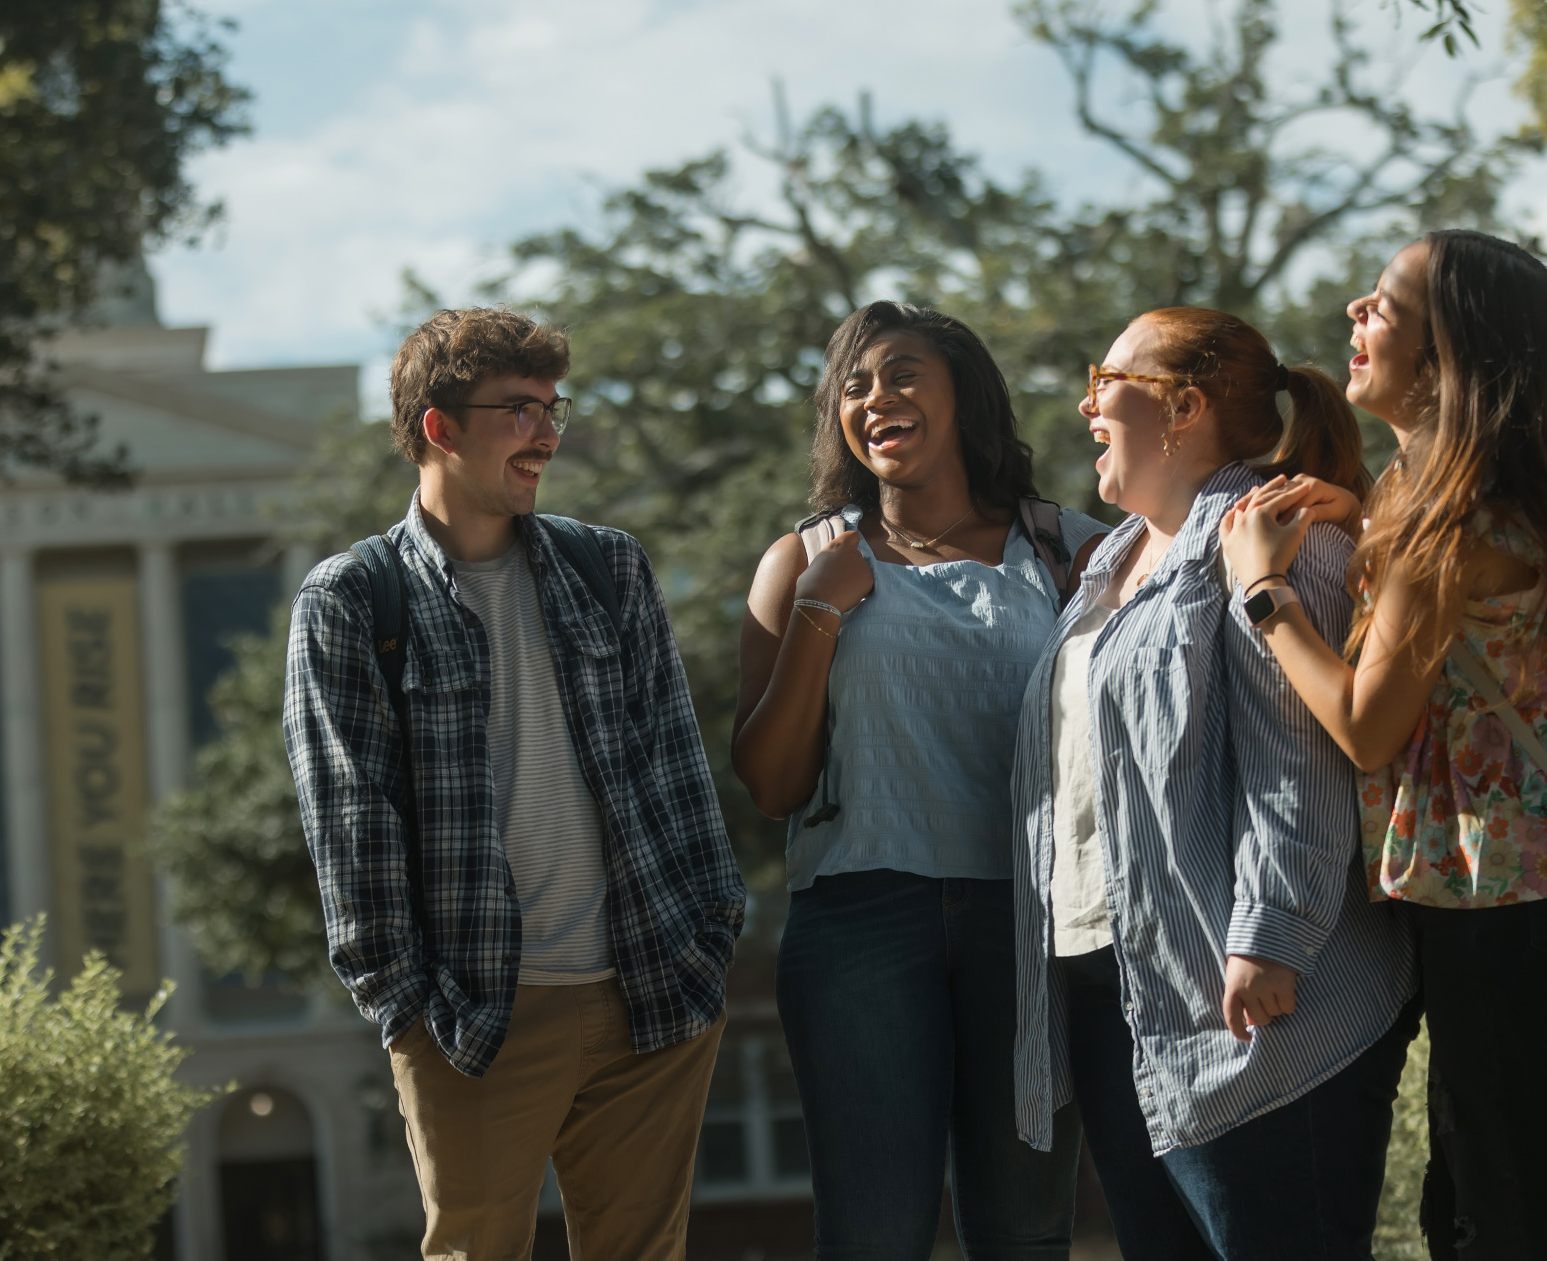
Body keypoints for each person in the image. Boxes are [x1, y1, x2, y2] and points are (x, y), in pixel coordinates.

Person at [284, 307, 747, 1260]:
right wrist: (406, 1005)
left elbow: (675, 763)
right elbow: (350, 824)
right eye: (520, 411)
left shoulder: (609, 567)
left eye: (552, 409)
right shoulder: (353, 598)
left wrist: (708, 934)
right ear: (438, 428)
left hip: (652, 990)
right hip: (472, 1013)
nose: (547, 434)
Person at [1222, 231, 1547, 1260]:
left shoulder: (1446, 524)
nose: (1355, 311)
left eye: (1384, 304)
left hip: (1512, 915)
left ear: (1449, 354)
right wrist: (1360, 520)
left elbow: (1365, 728)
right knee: (1477, 1202)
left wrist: (1262, 594)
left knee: (1504, 1216)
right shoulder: (1450, 498)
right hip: (1522, 903)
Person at [1007, 307, 1417, 1260]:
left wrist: (1272, 933)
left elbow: (1299, 758)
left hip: (1263, 1003)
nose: (1084, 402)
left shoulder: (1276, 536)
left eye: (1104, 379)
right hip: (1119, 988)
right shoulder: (1108, 565)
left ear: (1181, 407)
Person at [733, 301, 1106, 1260]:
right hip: (860, 918)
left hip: (1033, 921)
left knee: (1026, 1231)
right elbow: (771, 784)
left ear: (963, 394)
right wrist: (819, 612)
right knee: (871, 1234)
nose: (874, 398)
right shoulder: (804, 560)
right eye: (853, 387)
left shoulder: (1074, 552)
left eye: (901, 374)